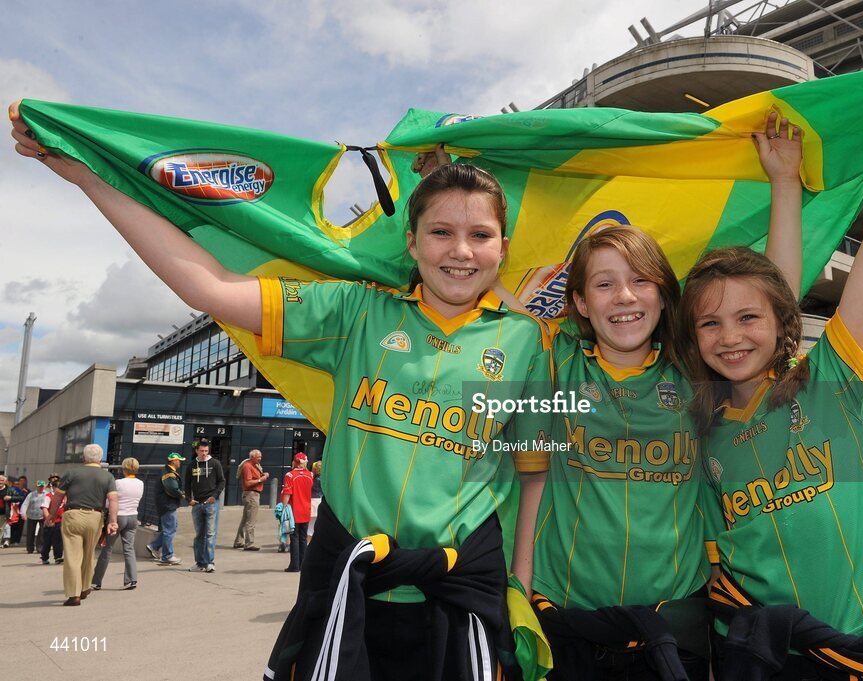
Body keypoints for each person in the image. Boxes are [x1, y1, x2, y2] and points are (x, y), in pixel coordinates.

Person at [8, 109, 554, 679]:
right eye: (441, 232)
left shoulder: (527, 344)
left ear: (503, 247)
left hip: (460, 597)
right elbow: (211, 287)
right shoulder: (357, 312)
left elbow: (534, 472)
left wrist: (521, 580)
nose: (460, 251)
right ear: (411, 242)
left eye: (480, 235)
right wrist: (90, 177)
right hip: (348, 586)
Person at [678, 63, 863, 681]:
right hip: (762, 660)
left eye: (746, 319)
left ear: (779, 322)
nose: (730, 337)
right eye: (710, 324)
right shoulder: (699, 432)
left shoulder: (828, 383)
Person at [519, 112, 804, 681]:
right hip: (567, 621)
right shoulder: (549, 364)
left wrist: (785, 184)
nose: (623, 296)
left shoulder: (695, 369)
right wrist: (519, 589)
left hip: (678, 630)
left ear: (663, 294)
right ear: (578, 302)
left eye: (641, 280)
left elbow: (776, 300)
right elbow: (534, 479)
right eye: (603, 284)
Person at [49, 444, 118, 606]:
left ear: (83, 458)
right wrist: (112, 521)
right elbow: (113, 500)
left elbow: (58, 497)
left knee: (73, 556)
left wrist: (51, 516)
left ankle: (74, 595)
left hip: (73, 514)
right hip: (95, 516)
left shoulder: (71, 473)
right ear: (100, 459)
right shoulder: (107, 477)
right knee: (88, 555)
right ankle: (85, 587)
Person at [92, 457, 144, 590]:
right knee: (129, 548)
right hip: (133, 516)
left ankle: (96, 581)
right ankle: (131, 579)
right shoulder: (140, 483)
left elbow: (110, 502)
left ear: (123, 468)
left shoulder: (118, 483)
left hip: (118, 516)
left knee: (107, 548)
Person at [184, 439, 225, 573]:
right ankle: (200, 562)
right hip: (197, 504)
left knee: (210, 534)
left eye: (206, 451)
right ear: (196, 451)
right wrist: (189, 499)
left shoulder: (215, 463)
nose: (204, 453)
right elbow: (187, 484)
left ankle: (209, 562)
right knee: (199, 535)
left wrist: (214, 496)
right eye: (201, 451)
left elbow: (221, 481)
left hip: (211, 503)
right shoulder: (191, 465)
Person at [146, 452, 185, 566]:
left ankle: (154, 546)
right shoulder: (169, 474)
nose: (180, 462)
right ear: (173, 461)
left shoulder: (167, 472)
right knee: (170, 530)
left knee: (171, 527)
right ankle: (167, 556)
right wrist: (181, 495)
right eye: (179, 460)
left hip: (166, 504)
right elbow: (172, 488)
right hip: (167, 505)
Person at [280, 452, 314, 572]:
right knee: (303, 538)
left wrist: (283, 509)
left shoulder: (290, 475)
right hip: (306, 509)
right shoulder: (310, 475)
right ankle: (303, 564)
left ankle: (294, 565)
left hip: (293, 510)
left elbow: (287, 493)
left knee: (294, 537)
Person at [234, 448, 269, 551]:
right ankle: (249, 543)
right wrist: (261, 479)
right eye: (258, 457)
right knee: (251, 520)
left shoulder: (255, 466)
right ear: (252, 457)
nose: (260, 459)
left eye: (261, 457)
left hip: (251, 494)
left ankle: (239, 541)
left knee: (245, 519)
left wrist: (263, 475)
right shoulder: (247, 466)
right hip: (251, 494)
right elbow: (248, 482)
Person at [40, 474, 65, 565]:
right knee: (47, 541)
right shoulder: (49, 496)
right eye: (58, 487)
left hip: (60, 522)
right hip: (51, 522)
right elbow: (45, 508)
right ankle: (44, 557)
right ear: (54, 487)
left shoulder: (65, 497)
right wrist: (48, 519)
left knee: (58, 540)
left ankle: (58, 557)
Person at [21, 480, 47, 554]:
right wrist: (23, 513)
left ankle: (40, 547)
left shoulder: (47, 494)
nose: (41, 488)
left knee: (42, 533)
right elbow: (25, 504)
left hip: (43, 516)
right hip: (32, 515)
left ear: (44, 486)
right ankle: (30, 548)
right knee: (30, 532)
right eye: (39, 486)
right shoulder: (31, 494)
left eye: (42, 486)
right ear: (36, 486)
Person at [308, 460, 322, 539]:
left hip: (312, 501)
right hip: (319, 501)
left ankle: (308, 544)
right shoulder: (323, 479)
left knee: (310, 526)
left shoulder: (311, 478)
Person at [0, 474, 11, 548]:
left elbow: (20, 497)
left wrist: (11, 497)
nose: (0, 481)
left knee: (1, 529)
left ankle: (5, 540)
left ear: (5, 481)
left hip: (3, 513)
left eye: (2, 480)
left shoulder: (9, 490)